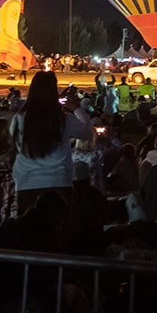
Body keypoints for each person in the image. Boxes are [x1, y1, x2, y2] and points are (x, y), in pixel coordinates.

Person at [10, 71, 93, 212]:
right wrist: (76, 108)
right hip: (58, 182)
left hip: (26, 183)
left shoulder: (19, 119)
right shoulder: (63, 119)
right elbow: (87, 132)